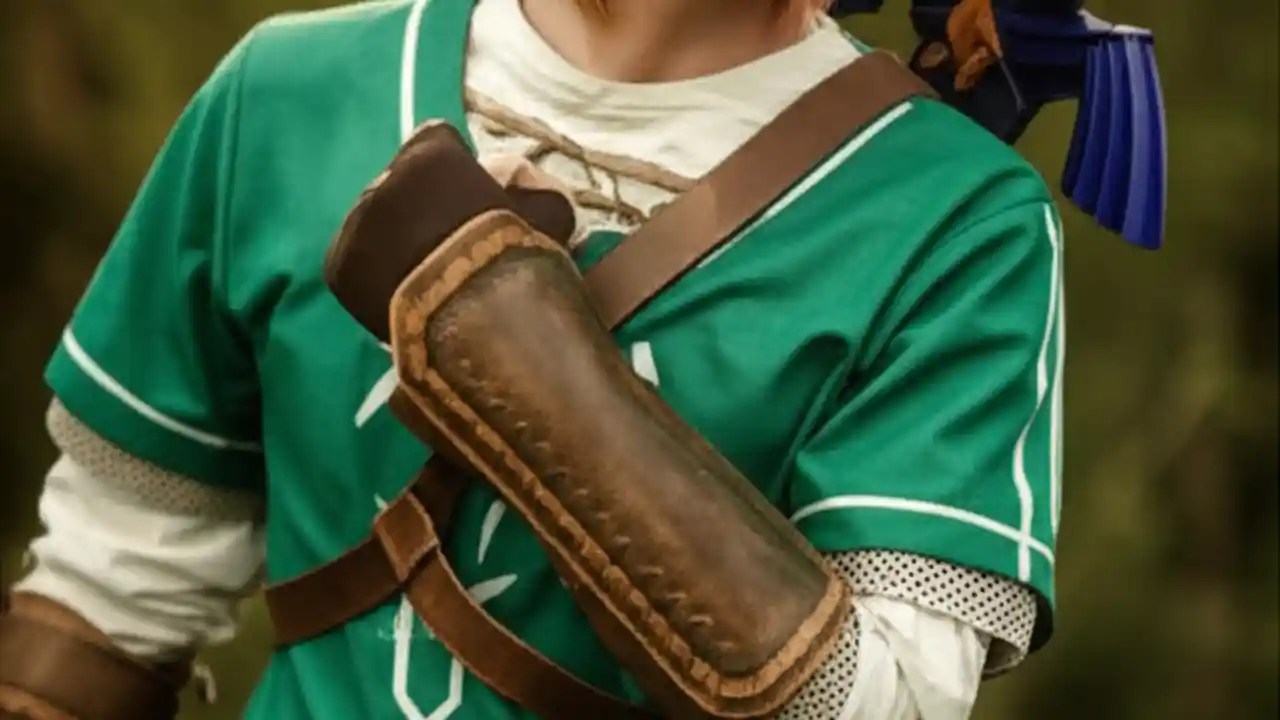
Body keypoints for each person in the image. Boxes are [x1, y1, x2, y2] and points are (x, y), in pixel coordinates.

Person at [0, 0, 1063, 717]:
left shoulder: (951, 217)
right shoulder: (288, 95)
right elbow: (105, 607)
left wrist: (516, 364)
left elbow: (884, 703)